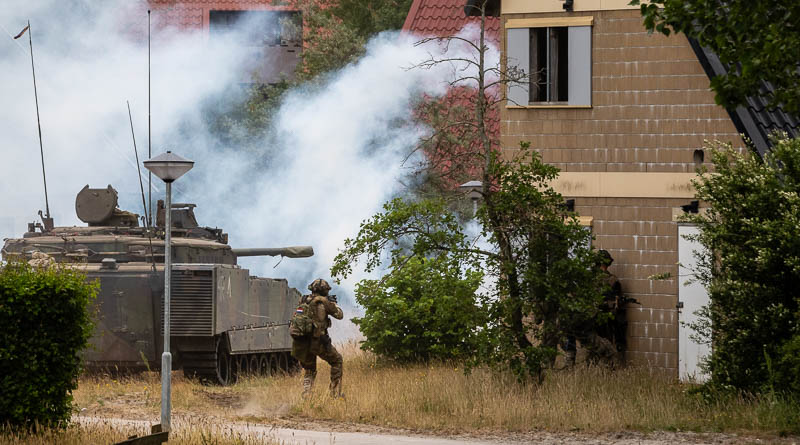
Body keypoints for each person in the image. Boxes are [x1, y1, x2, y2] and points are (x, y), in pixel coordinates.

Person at [563, 249, 620, 367]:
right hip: (598, 318)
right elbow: (614, 304)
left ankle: (588, 366)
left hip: (588, 318)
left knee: (591, 346)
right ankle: (602, 369)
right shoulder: (611, 280)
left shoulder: (587, 279)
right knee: (603, 346)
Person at [291, 278, 344, 398]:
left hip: (302, 342)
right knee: (337, 361)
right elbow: (339, 315)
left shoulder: (303, 300)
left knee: (309, 369)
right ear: (325, 291)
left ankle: (306, 393)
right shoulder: (325, 302)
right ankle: (334, 393)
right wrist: (333, 303)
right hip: (318, 341)